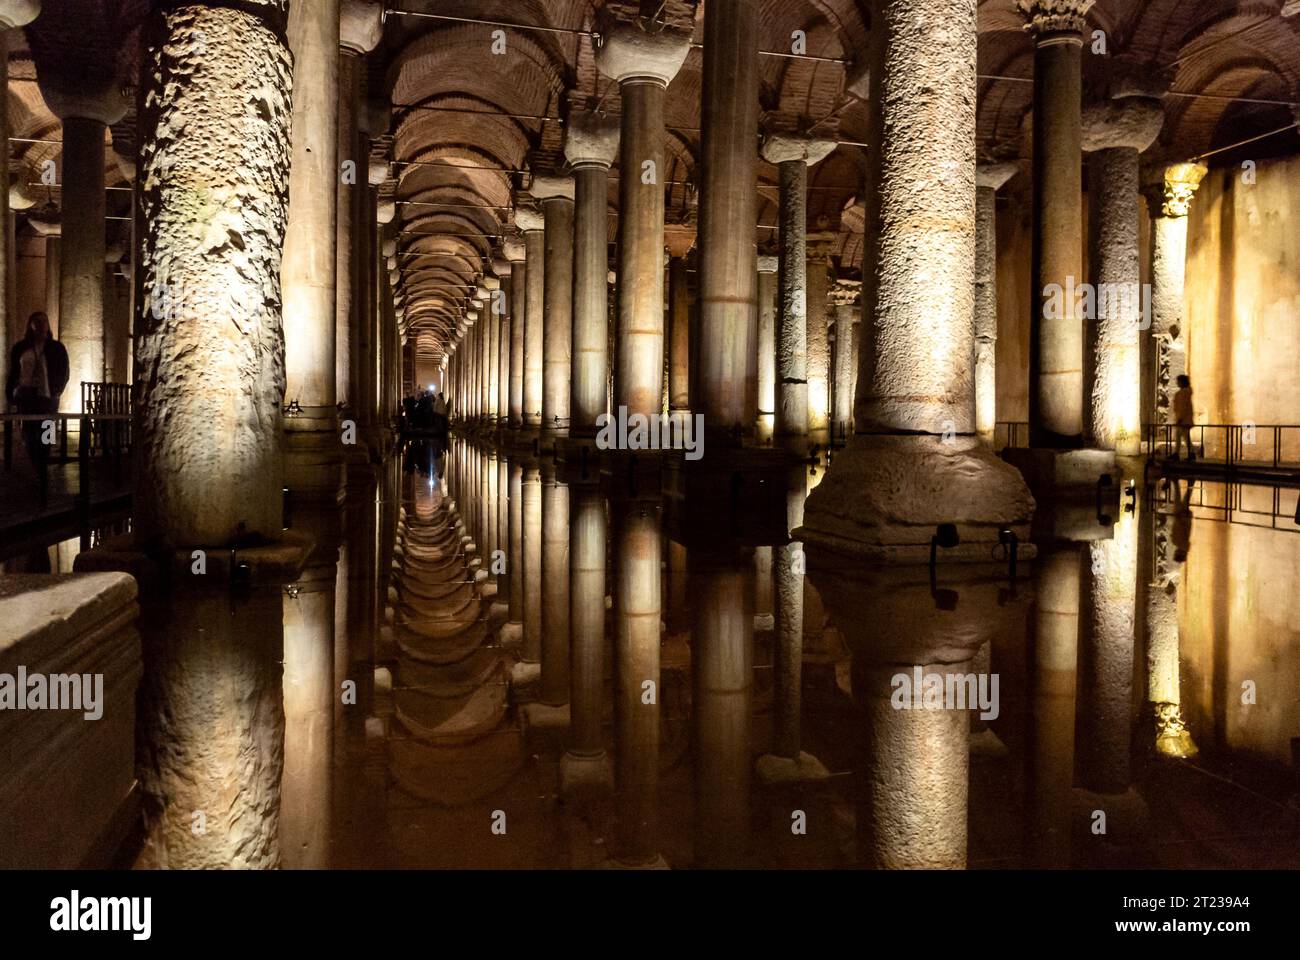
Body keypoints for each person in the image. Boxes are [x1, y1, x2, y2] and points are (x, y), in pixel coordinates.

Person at [6, 312, 69, 469]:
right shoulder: (20, 348)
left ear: (48, 325)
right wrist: (11, 393)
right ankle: (35, 463)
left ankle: (44, 463)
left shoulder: (57, 348)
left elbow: (64, 371)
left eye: (43, 321)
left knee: (47, 435)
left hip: (49, 398)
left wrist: (56, 390)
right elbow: (14, 372)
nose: (41, 324)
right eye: (37, 321)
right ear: (30, 325)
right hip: (28, 398)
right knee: (30, 433)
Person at [1171, 374, 1195, 461]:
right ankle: (1190, 453)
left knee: (1179, 436)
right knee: (1185, 437)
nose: (1177, 383)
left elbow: (1182, 407)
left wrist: (1179, 418)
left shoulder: (1182, 393)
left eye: (1178, 381)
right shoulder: (1186, 393)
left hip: (1182, 420)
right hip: (1186, 419)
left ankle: (1177, 453)